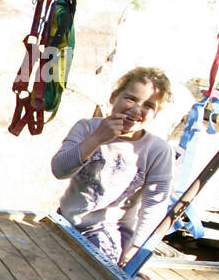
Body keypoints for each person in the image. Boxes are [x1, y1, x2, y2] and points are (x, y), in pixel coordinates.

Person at [51, 66, 175, 269]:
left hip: (110, 229)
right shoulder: (88, 128)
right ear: (113, 97)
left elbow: (154, 206)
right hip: (66, 221)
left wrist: (136, 250)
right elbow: (59, 170)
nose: (136, 110)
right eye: (131, 99)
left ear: (156, 113)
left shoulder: (158, 150)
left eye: (149, 106)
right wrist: (97, 138)